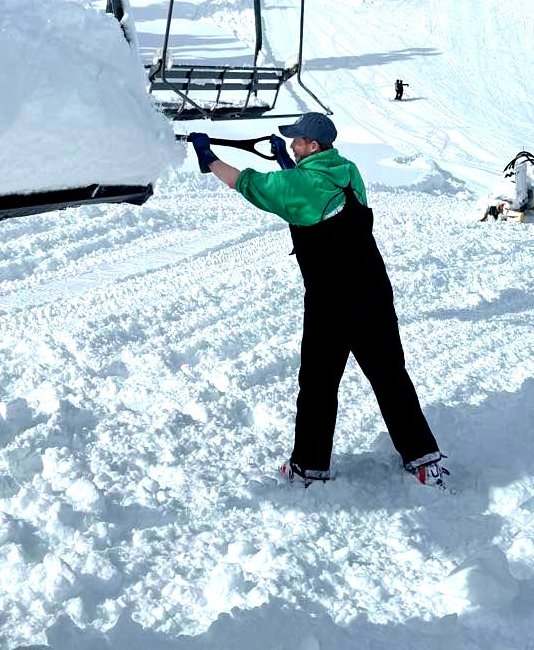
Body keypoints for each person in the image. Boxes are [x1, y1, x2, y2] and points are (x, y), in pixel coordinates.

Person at [188, 113, 447, 488]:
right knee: (390, 377)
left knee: (318, 385)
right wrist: (288, 164)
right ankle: (424, 460)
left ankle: (309, 467)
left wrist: (208, 157)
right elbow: (314, 192)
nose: (292, 144)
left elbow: (246, 183)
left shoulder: (299, 184)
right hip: (374, 292)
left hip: (332, 302)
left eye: (297, 140)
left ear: (313, 145)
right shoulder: (348, 170)